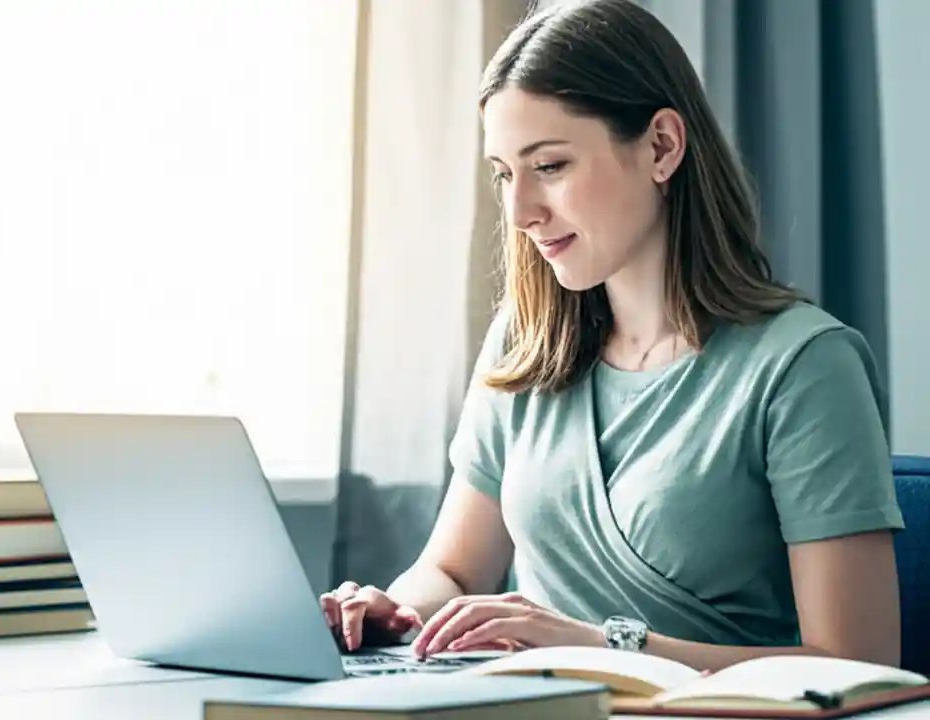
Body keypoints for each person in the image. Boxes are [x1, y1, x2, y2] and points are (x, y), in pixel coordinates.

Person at [320, 0, 904, 672]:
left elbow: (859, 664)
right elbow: (452, 571)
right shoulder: (525, 345)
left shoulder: (804, 367)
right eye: (505, 173)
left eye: (551, 166)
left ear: (661, 146)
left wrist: (600, 646)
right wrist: (394, 612)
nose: (520, 212)